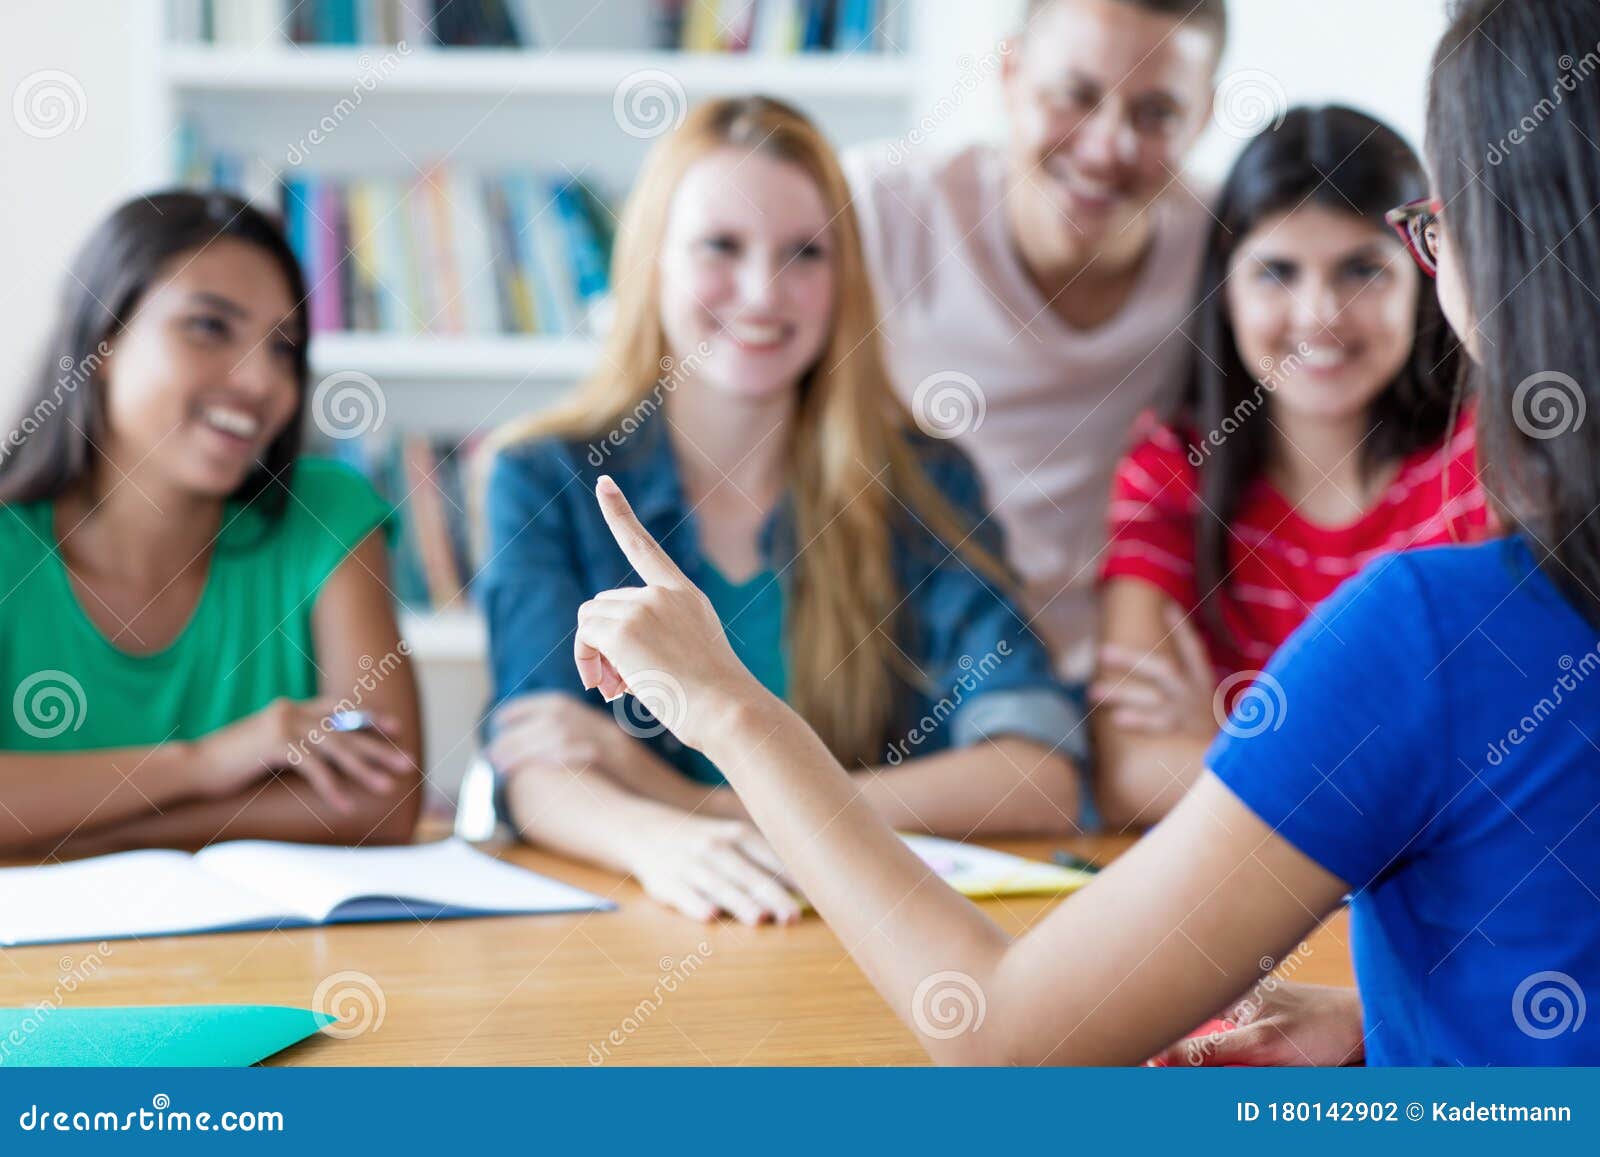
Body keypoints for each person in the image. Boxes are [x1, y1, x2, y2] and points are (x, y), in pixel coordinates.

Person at [562, 0, 1600, 1066]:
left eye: (1427, 230)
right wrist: (1403, 1024)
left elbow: (1005, 1032)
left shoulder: (1426, 630)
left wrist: (730, 708)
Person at [480, 98, 1085, 927]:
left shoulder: (925, 480)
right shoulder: (541, 476)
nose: (764, 292)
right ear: (653, 261)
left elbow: (1037, 772)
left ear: (845, 283)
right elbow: (535, 762)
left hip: (871, 940)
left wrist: (710, 808)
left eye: (804, 253)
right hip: (646, 931)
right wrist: (654, 839)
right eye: (721, 247)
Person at [1091, 107, 1488, 829]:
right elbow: (1130, 774)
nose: (1320, 316)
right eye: (1277, 271)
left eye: (1363, 270)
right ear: (1226, 286)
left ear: (1425, 278)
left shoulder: (1481, 459)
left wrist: (1224, 748)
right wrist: (1386, 786)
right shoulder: (1171, 470)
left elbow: (1493, 770)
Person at [0, 191, 422, 857]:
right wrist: (206, 762)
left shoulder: (327, 515)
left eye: (284, 348)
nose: (261, 381)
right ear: (103, 340)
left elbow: (382, 800)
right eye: (209, 327)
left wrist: (88, 832)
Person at [844, 0, 1223, 684]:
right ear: (1011, 73)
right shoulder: (878, 209)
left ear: (1205, 115)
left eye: (1157, 113)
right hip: (898, 666)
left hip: (1112, 686)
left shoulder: (1232, 252)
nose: (1108, 147)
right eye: (1076, 96)